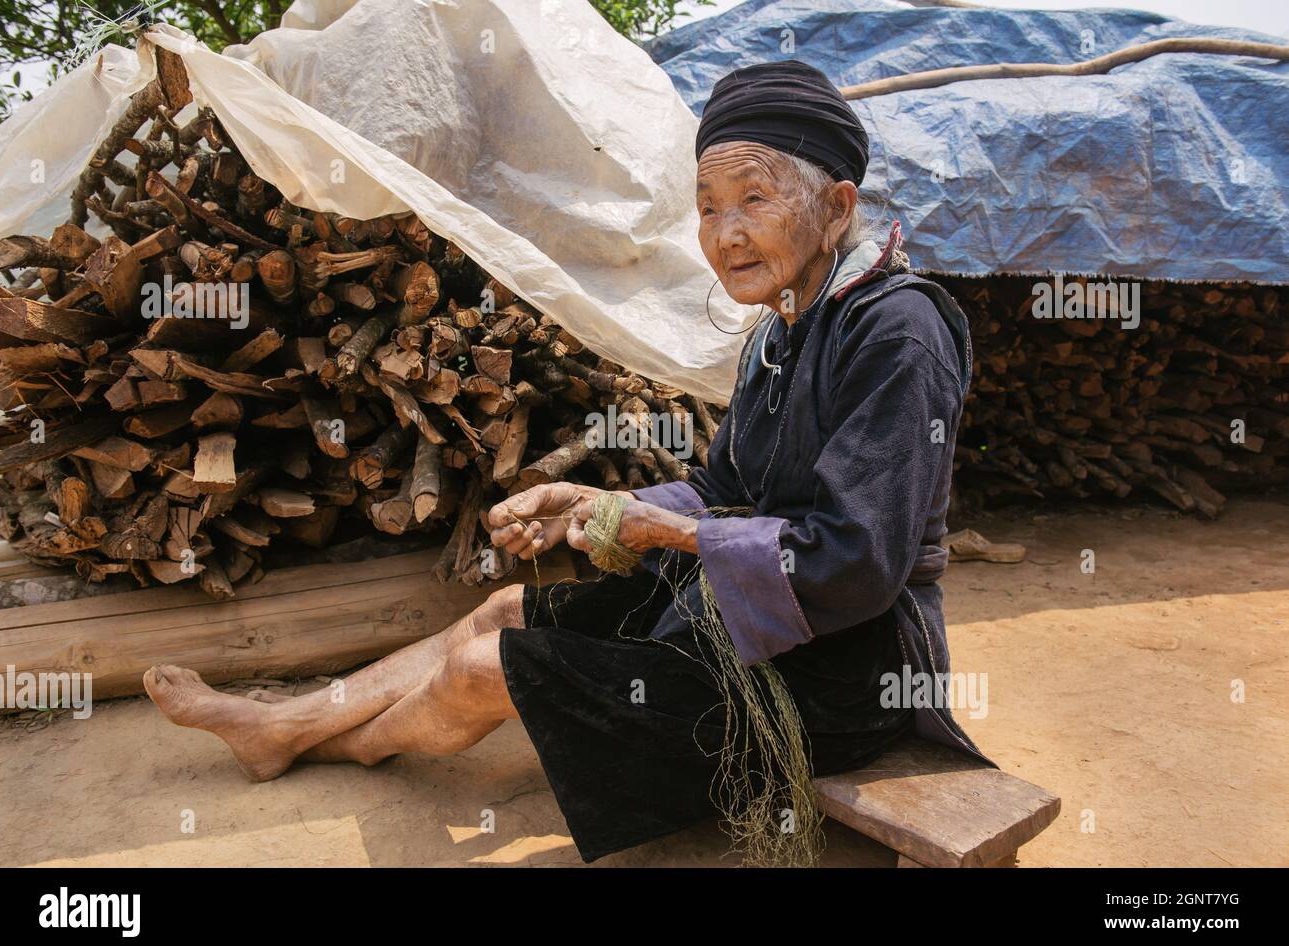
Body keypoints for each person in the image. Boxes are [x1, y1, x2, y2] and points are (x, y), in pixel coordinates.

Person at [143, 59, 992, 864]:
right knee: (503, 609)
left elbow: (857, 561)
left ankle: (332, 742)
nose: (724, 233)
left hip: (848, 668)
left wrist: (670, 532)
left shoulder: (899, 330)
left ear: (837, 206)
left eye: (754, 200)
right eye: (705, 206)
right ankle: (285, 723)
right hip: (753, 613)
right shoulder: (779, 330)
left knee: (486, 668)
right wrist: (591, 502)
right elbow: (724, 491)